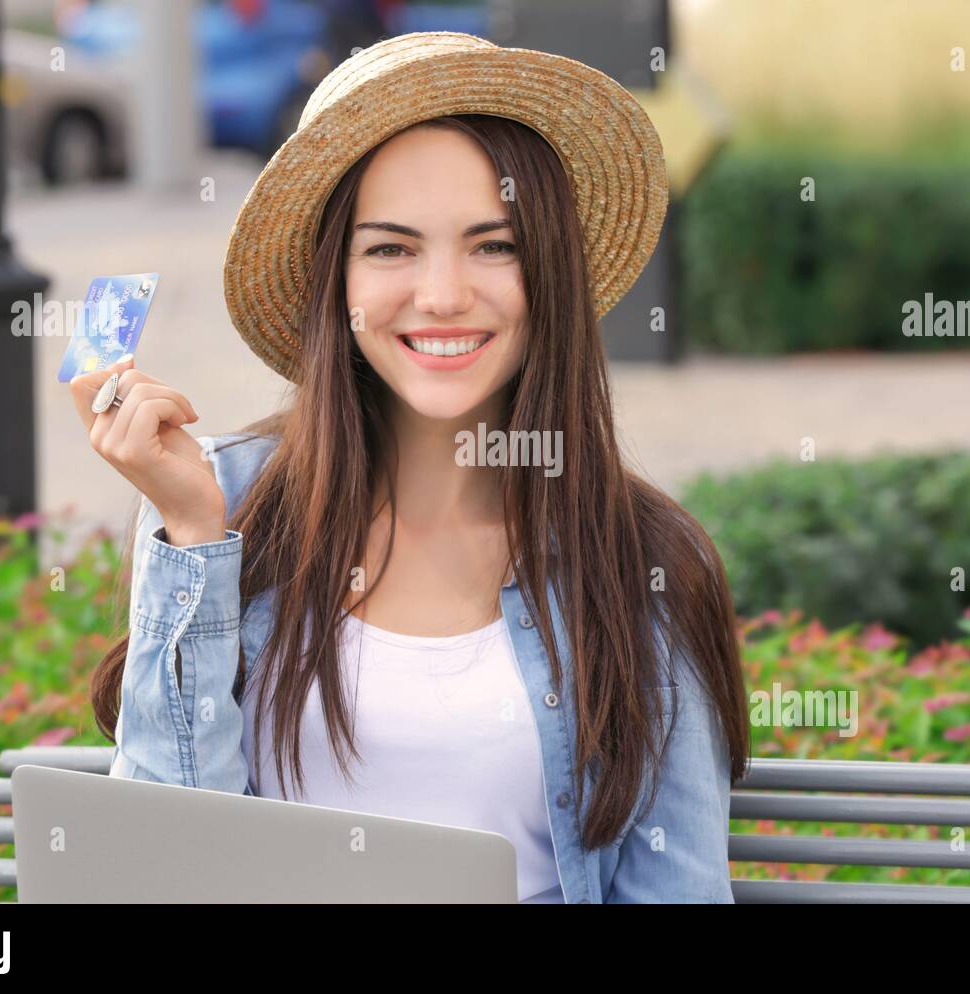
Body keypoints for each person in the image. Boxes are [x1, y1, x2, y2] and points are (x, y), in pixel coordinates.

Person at [70, 32, 750, 904]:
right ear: (336, 281)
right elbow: (158, 868)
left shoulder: (644, 560)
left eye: (493, 246)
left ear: (549, 273)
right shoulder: (223, 502)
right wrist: (194, 538)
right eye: (391, 248)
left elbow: (676, 893)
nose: (440, 295)